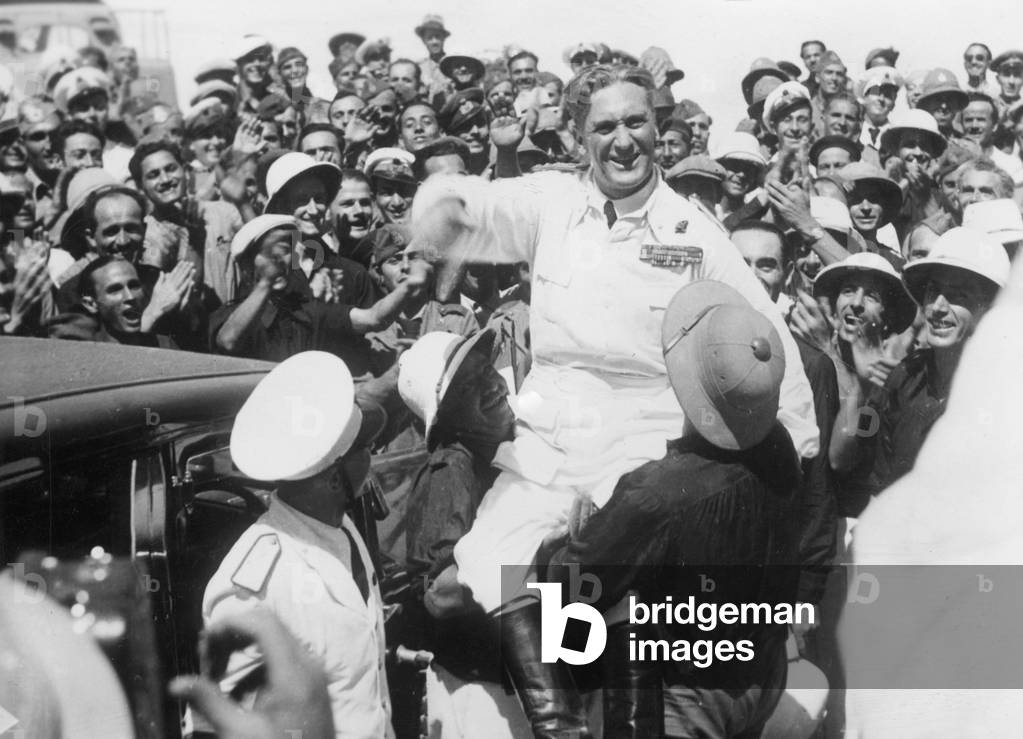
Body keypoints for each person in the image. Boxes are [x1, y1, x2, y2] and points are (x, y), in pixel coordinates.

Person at [413, 63, 817, 735]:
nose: (622, 141)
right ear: (580, 137)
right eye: (604, 127)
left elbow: (765, 337)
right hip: (548, 434)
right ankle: (561, 727)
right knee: (490, 560)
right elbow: (469, 212)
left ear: (658, 128)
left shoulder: (693, 232)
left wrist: (793, 441)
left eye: (636, 122)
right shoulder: (552, 202)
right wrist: (444, 206)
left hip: (645, 435)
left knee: (617, 576)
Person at [546, 280, 803, 739]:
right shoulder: (781, 452)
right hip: (764, 671)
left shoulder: (656, 494)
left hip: (690, 696)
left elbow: (574, 584)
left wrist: (571, 543)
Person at [200, 350, 393, 738]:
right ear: (334, 479)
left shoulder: (343, 529)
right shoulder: (253, 586)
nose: (372, 457)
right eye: (364, 449)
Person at [395, 330, 529, 739]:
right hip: (481, 695)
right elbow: (441, 595)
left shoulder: (508, 454)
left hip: (514, 680)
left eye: (488, 370)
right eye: (470, 385)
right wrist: (538, 557)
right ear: (448, 416)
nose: (494, 385)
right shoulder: (452, 470)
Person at [845, 227, 1009, 509]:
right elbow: (860, 449)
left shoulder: (1008, 396)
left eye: (958, 295)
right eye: (933, 291)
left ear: (990, 309)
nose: (938, 307)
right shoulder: (905, 375)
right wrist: (863, 389)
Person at [914, 68, 969, 143]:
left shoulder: (966, 145)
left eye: (949, 99)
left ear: (957, 104)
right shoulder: (916, 143)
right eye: (937, 99)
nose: (944, 106)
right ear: (926, 104)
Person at [415, 15, 451, 105]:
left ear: (443, 38)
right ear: (424, 41)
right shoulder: (419, 68)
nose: (434, 42)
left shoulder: (453, 64)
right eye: (429, 38)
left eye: (437, 37)